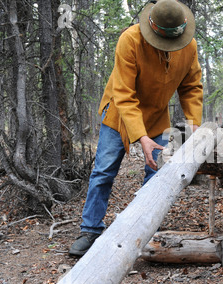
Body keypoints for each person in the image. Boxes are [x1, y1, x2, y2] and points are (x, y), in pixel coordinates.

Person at [68, 0, 203, 257]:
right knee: (104, 171)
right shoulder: (129, 40)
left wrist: (193, 123)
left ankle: (142, 228)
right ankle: (90, 230)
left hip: (157, 115)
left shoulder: (190, 46)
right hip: (120, 114)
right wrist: (140, 137)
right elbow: (124, 94)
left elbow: (191, 86)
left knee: (156, 174)